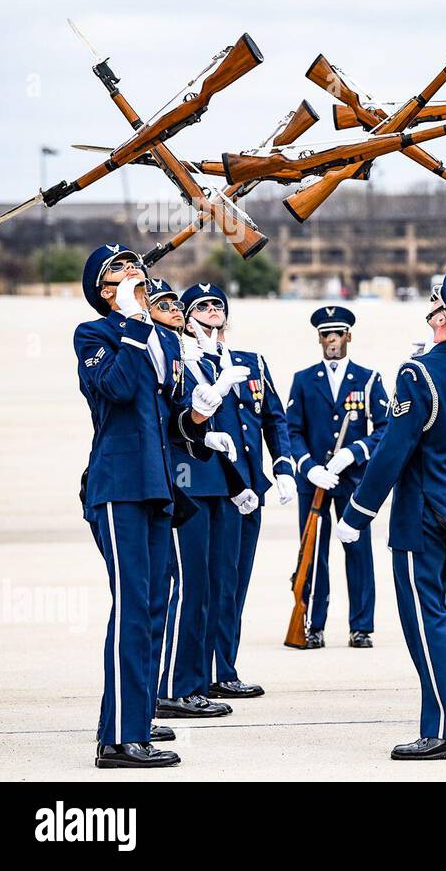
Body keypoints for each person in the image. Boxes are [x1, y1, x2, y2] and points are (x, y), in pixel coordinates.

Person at [75, 246, 239, 767]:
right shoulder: (95, 335)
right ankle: (119, 740)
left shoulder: (158, 341)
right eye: (120, 272)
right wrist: (127, 321)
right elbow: (117, 392)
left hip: (157, 487)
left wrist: (200, 416)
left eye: (134, 268)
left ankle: (135, 718)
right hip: (118, 486)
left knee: (152, 608)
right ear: (105, 292)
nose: (135, 275)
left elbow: (171, 424)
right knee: (131, 608)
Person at [337, 268, 446, 761]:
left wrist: (358, 512)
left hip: (421, 513)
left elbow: (393, 450)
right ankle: (441, 723)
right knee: (440, 616)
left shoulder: (418, 373)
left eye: (435, 303)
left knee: (426, 623)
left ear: (443, 318)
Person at [180, 282, 295, 699]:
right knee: (213, 582)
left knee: (236, 582)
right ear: (189, 319)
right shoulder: (187, 362)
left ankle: (224, 666)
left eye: (216, 304)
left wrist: (283, 467)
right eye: (202, 306)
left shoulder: (251, 363)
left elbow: (273, 418)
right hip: (212, 487)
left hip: (251, 486)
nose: (212, 310)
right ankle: (207, 670)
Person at [145, 278, 238, 722]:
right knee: (187, 587)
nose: (183, 312)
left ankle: (194, 683)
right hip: (184, 483)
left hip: (216, 482)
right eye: (184, 305)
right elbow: (170, 422)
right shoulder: (174, 358)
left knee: (207, 588)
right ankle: (174, 687)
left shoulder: (208, 357)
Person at [286, 306, 390, 649]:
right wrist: (308, 465)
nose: (332, 340)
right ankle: (313, 624)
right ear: (319, 339)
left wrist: (353, 452)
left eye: (338, 334)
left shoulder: (369, 378)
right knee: (313, 555)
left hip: (353, 480)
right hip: (315, 481)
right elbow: (292, 430)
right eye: (326, 335)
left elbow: (385, 429)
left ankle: (361, 626)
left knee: (358, 551)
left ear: (349, 336)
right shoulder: (303, 380)